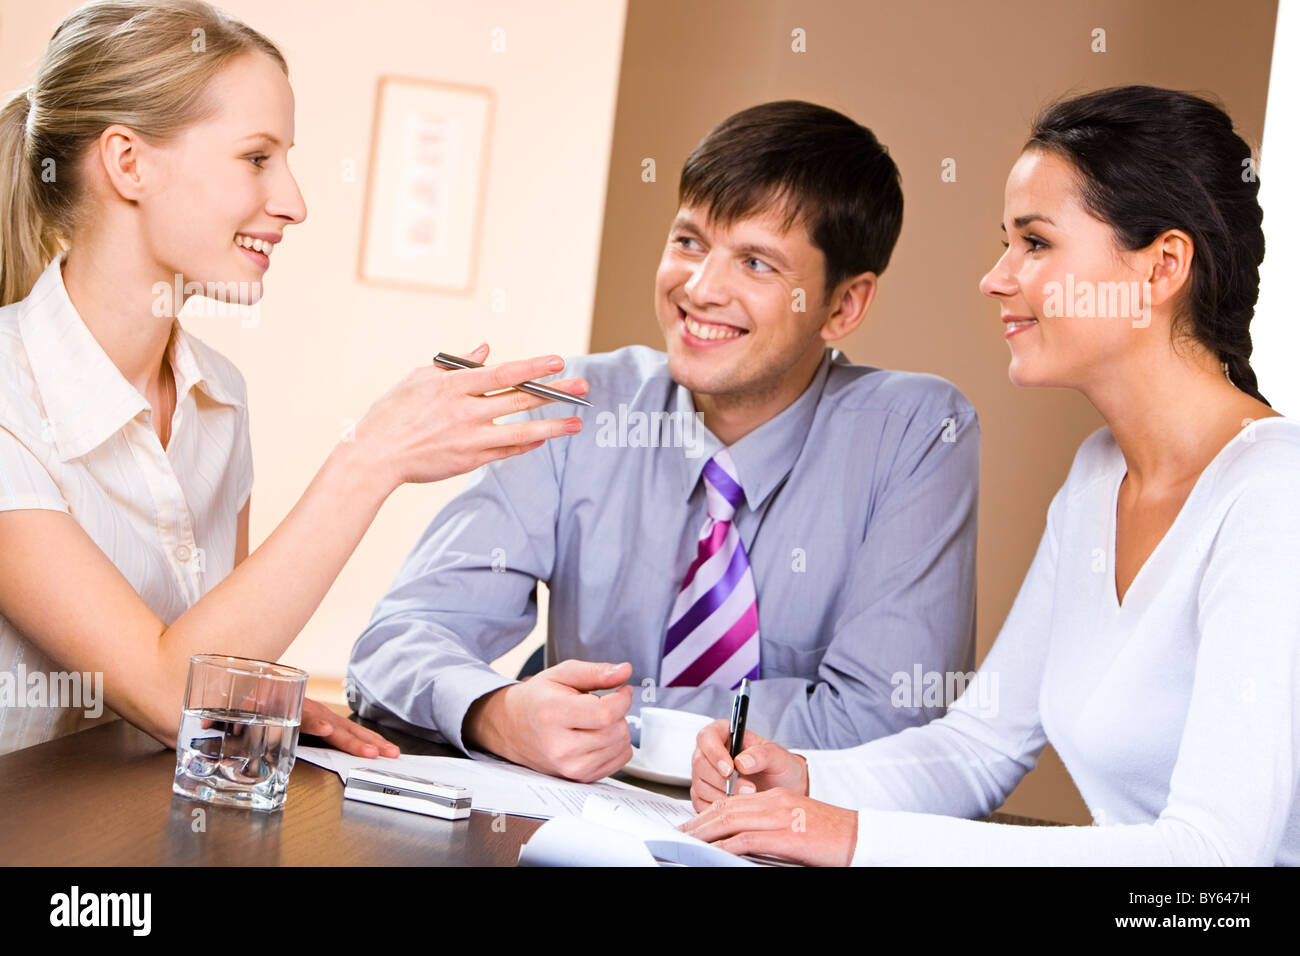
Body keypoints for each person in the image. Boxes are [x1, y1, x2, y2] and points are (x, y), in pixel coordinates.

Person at [681, 85, 1300, 866]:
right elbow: (980, 745)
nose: (996, 277)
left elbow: (1215, 860)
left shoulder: (1275, 494)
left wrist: (852, 837)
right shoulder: (1098, 478)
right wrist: (805, 778)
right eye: (1006, 243)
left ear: (1161, 266)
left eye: (1035, 244)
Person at [0, 0, 586, 757]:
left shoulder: (220, 394)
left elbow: (212, 671)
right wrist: (372, 459)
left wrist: (254, 697)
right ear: (128, 162)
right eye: (256, 158)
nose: (294, 203)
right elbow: (162, 689)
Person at [348, 100, 981, 783]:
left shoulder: (915, 432)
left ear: (842, 306)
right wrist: (496, 712)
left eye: (758, 263)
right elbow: (394, 644)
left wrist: (622, 723)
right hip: (578, 825)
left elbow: (888, 724)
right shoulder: (579, 406)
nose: (700, 288)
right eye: (689, 242)